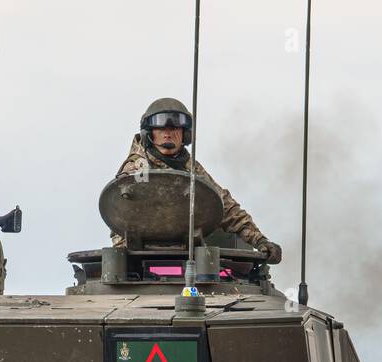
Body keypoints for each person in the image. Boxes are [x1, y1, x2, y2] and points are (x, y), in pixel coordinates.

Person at [113, 98, 281, 263]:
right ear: (149, 133)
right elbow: (120, 213)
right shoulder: (138, 168)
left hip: (186, 256)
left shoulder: (191, 169)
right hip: (139, 256)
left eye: (175, 128)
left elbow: (224, 206)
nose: (167, 133)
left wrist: (260, 240)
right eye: (160, 128)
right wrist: (124, 260)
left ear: (185, 134)